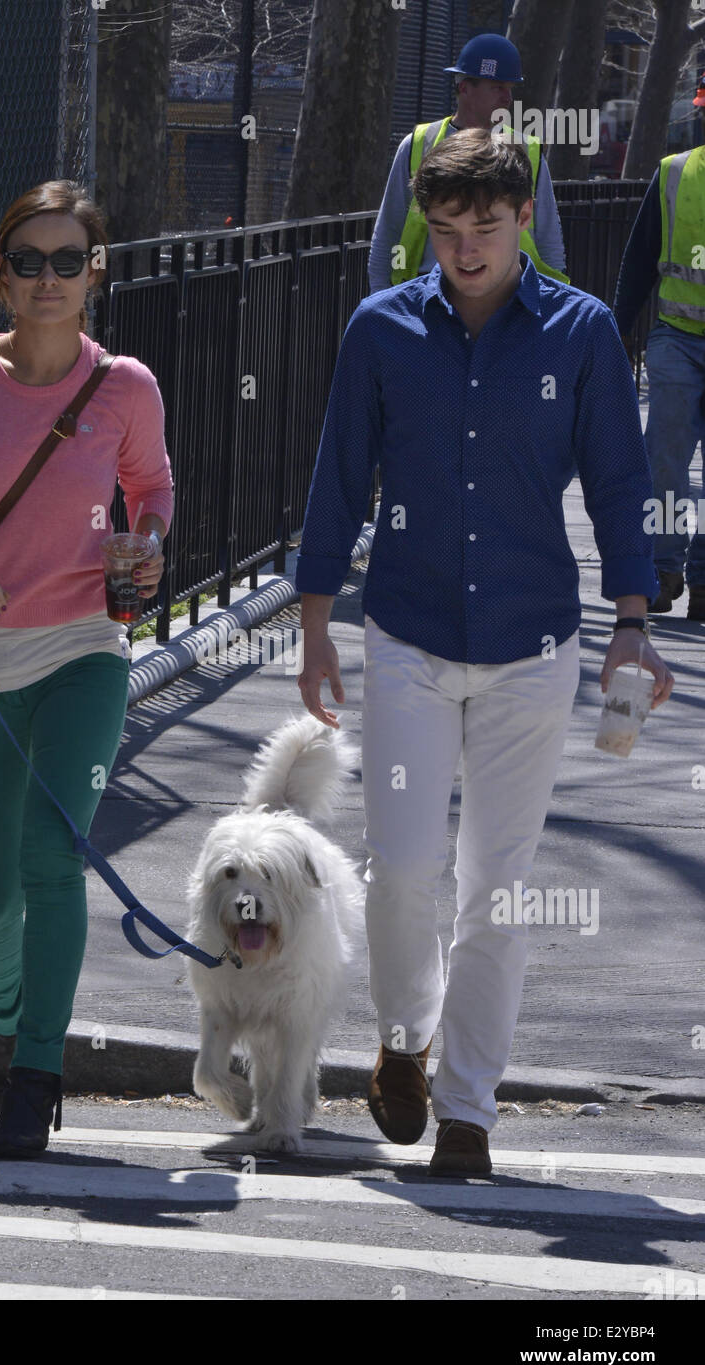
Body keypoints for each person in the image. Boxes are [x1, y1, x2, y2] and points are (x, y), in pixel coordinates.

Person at [296, 129, 673, 1177]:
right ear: (429, 225)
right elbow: (338, 475)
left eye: (487, 229)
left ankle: (467, 1109)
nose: (466, 251)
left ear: (522, 222)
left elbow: (616, 480)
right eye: (448, 231)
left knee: (497, 890)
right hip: (407, 630)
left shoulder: (580, 333)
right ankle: (402, 1040)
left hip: (532, 640)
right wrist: (315, 622)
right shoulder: (382, 329)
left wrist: (631, 624)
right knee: (405, 870)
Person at [0, 181, 173, 1157]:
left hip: (85, 648)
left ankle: (36, 1077)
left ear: (95, 272)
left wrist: (144, 545)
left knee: (54, 856)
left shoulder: (127, 387)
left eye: (68, 260)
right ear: (1, 278)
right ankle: (1, 1030)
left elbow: (152, 490)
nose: (48, 279)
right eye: (28, 261)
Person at [368, 33, 568, 294]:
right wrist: (381, 303)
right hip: (426, 300)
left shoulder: (527, 150)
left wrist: (553, 307)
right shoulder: (418, 145)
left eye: (510, 88)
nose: (507, 98)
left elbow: (548, 239)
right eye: (497, 87)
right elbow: (388, 232)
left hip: (510, 300)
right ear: (464, 88)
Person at [613, 73, 705, 620]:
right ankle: (664, 569)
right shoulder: (674, 174)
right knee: (665, 458)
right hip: (677, 336)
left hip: (677, 338)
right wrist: (615, 329)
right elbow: (640, 258)